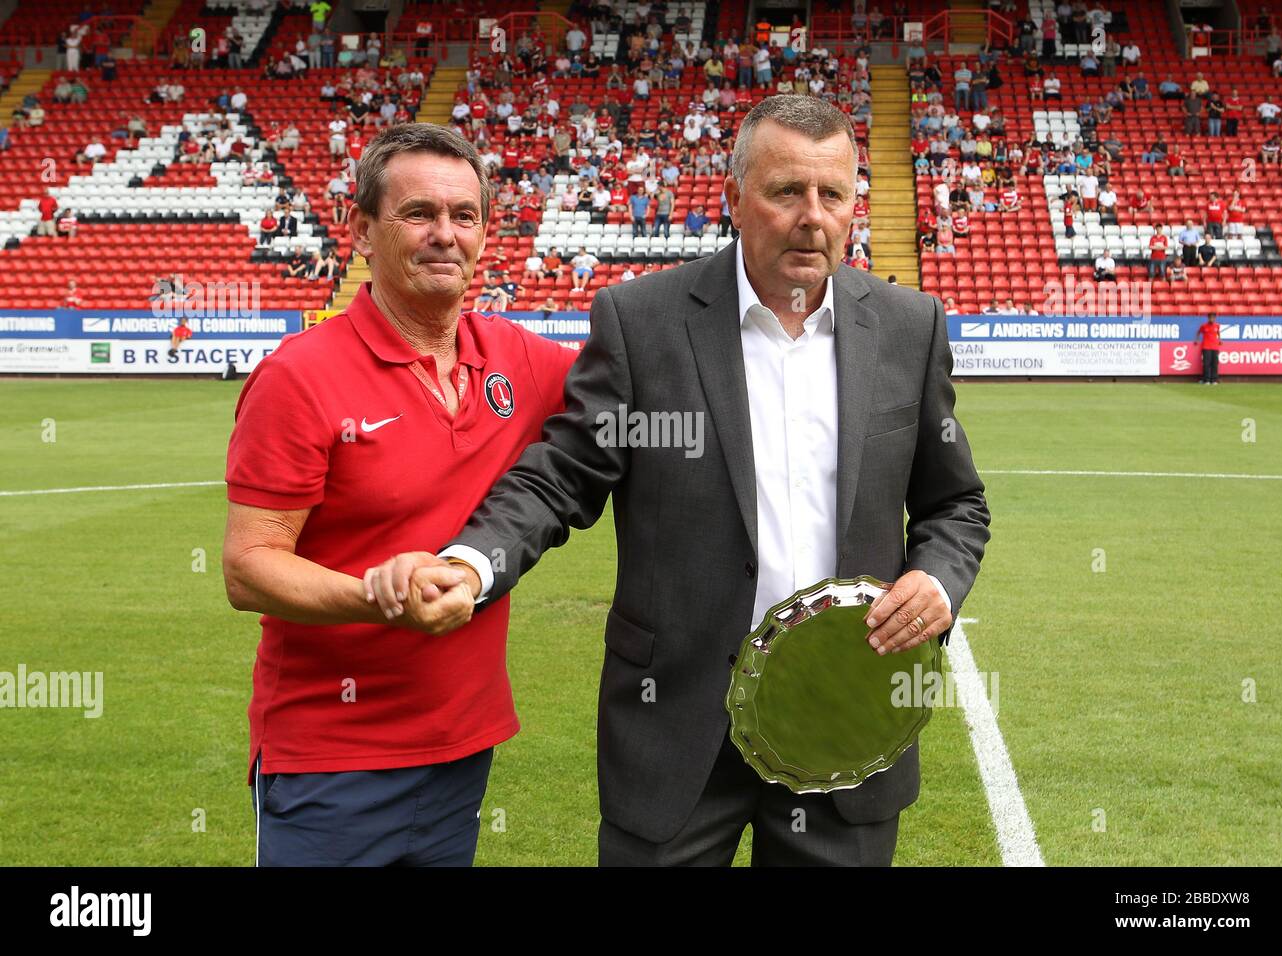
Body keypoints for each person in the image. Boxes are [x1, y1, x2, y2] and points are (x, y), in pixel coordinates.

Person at [364, 95, 990, 867]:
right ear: (733, 197)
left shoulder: (909, 326)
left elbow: (955, 502)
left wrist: (936, 575)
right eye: (786, 191)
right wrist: (471, 561)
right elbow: (563, 473)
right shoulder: (643, 321)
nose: (813, 216)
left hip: (842, 709)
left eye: (834, 195)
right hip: (677, 723)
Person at [222, 123, 577, 868]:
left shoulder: (518, 359)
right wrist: (373, 594)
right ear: (361, 230)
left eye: (464, 216)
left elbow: (640, 381)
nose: (444, 234)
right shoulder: (298, 376)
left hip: (463, 746)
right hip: (330, 758)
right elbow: (248, 566)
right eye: (419, 213)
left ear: (485, 234)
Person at [1195, 313, 1221, 384]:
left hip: (1215, 347)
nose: (1211, 319)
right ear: (1208, 318)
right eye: (1210, 318)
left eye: (1213, 318)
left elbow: (1218, 333)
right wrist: (1196, 340)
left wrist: (1220, 340)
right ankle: (1206, 380)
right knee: (1206, 364)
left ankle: (1214, 380)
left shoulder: (1217, 326)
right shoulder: (1204, 326)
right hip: (1206, 347)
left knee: (1215, 364)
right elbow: (1198, 332)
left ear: (1215, 318)